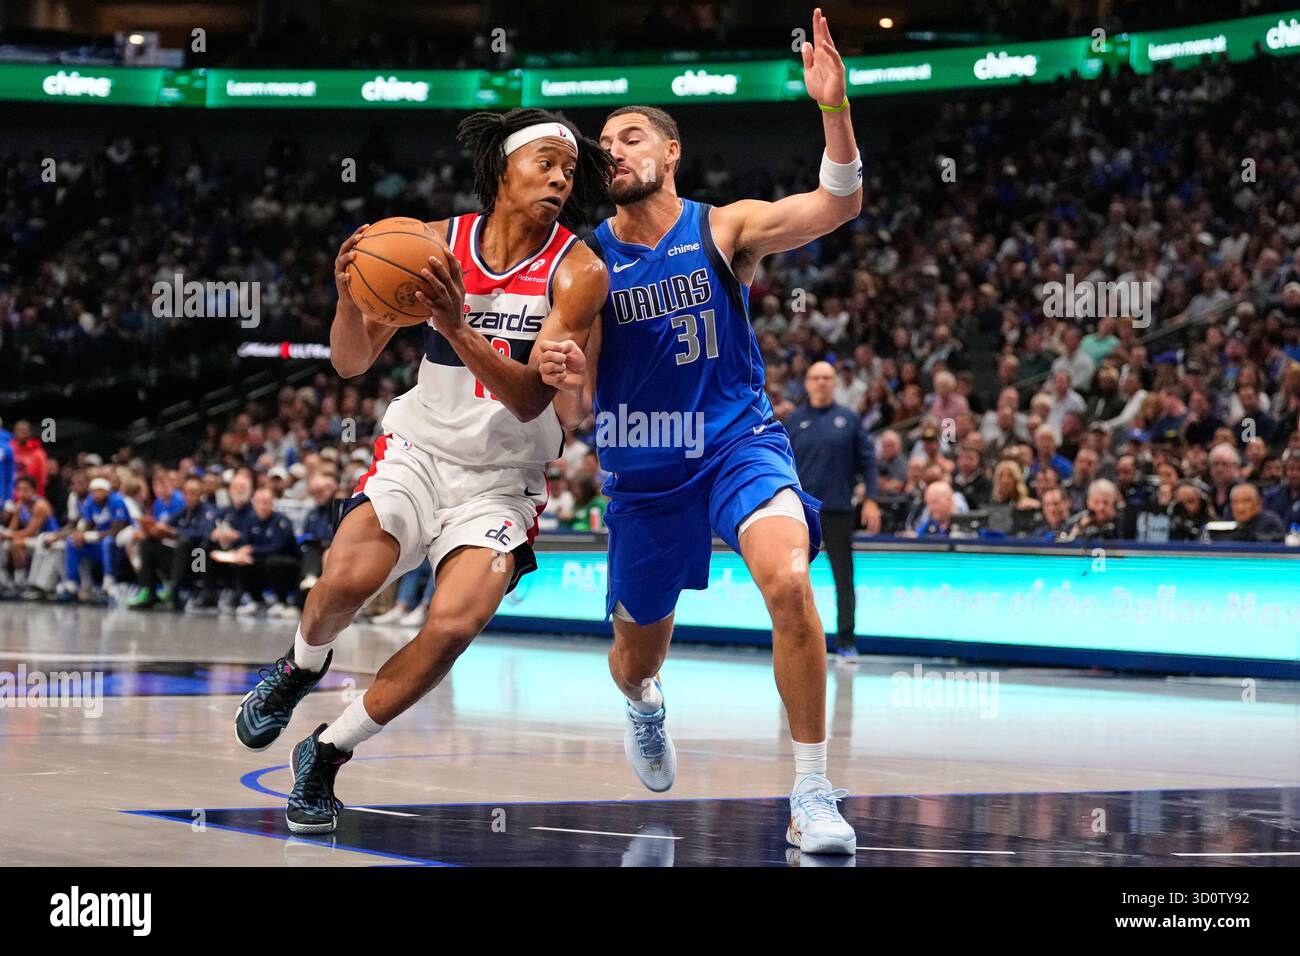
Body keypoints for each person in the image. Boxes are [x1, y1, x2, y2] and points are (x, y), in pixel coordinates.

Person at [233, 107, 615, 835]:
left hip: (504, 479)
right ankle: (299, 667)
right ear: (503, 169)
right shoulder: (433, 244)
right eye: (545, 162)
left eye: (569, 170)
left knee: (452, 626)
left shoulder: (579, 269)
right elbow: (350, 361)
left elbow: (532, 394)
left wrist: (454, 327)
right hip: (418, 452)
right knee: (343, 582)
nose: (561, 178)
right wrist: (351, 299)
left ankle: (326, 752)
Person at [540, 9, 863, 854]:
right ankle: (645, 705)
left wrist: (832, 108)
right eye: (603, 143)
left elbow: (837, 204)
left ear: (671, 151)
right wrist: (567, 383)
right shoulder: (583, 264)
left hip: (737, 446)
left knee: (789, 582)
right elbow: (573, 413)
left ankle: (813, 792)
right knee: (633, 659)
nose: (614, 149)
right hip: (644, 469)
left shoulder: (723, 229)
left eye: (632, 135)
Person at [786, 361, 878, 660]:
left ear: (835, 383)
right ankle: (792, 637)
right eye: (816, 378)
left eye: (827, 378)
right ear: (807, 384)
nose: (822, 383)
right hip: (800, 512)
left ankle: (846, 640)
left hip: (838, 509)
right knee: (794, 578)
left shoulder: (849, 419)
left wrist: (872, 499)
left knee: (843, 577)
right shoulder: (793, 420)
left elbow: (868, 462)